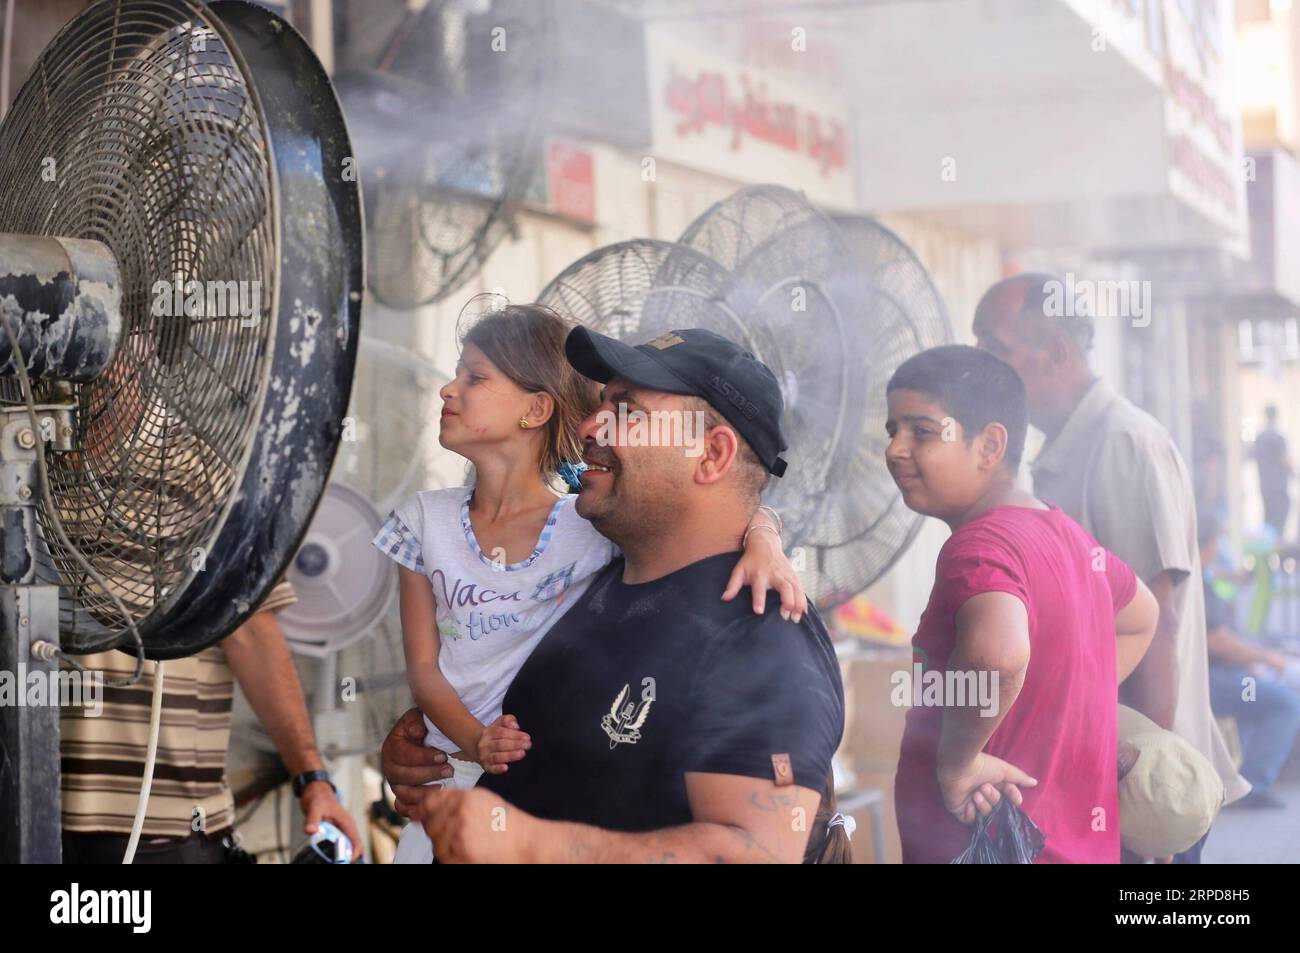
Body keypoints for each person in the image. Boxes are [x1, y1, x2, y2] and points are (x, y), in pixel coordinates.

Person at [381, 325, 846, 863]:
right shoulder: (592, 574)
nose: (587, 425)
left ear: (712, 455)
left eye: (627, 412)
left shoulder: (761, 635)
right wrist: (429, 747)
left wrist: (529, 845)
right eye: (600, 404)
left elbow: (756, 852)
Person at [973, 273, 1250, 862]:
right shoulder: (1067, 448)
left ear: (1055, 354)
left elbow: (1157, 627)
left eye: (994, 351)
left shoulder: (1124, 444)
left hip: (1137, 781)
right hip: (1099, 772)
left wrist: (1141, 788)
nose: (981, 374)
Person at [886, 345, 1158, 863]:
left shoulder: (980, 546)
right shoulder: (1068, 537)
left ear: (989, 445)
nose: (896, 449)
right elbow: (1141, 618)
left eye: (921, 431)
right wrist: (1068, 702)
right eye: (891, 430)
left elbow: (998, 657)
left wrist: (958, 764)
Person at [60, 581, 362, 863]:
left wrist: (312, 779)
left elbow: (250, 633)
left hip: (162, 823)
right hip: (25, 808)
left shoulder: (228, 523)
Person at [1199, 512, 1300, 809]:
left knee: (1262, 693)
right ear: (1209, 545)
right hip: (1210, 679)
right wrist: (1265, 657)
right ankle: (1252, 785)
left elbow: (1228, 636)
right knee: (1285, 703)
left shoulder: (1202, 577)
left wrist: (1267, 653)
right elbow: (1216, 641)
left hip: (1224, 672)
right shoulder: (1196, 583)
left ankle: (1239, 779)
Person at [1251, 404, 1292, 540]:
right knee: (1279, 522)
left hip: (1265, 487)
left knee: (1268, 523)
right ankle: (1278, 552)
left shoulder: (1260, 437)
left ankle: (1269, 549)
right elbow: (1285, 460)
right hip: (1278, 488)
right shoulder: (1277, 437)